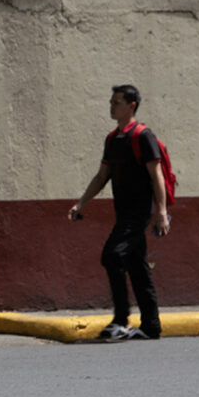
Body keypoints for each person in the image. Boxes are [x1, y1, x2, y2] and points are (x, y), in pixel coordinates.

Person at [68, 84, 172, 341]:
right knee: (137, 266)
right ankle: (150, 326)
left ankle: (120, 319)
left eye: (117, 103)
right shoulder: (112, 139)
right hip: (122, 211)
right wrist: (81, 203)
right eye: (111, 102)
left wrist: (161, 211)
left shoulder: (142, 136)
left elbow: (156, 175)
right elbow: (102, 175)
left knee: (112, 255)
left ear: (131, 106)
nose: (111, 107)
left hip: (139, 212)